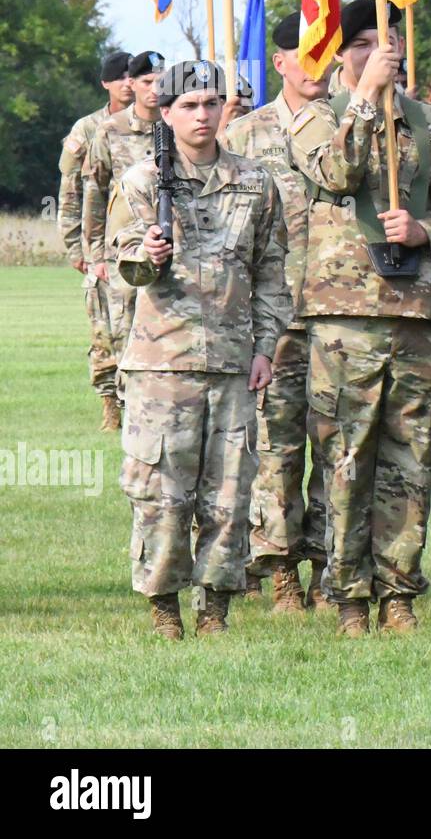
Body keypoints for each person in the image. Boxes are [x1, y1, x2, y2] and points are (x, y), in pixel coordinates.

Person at [288, 0, 431, 638]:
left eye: (385, 41)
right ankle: (348, 597)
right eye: (361, 43)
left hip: (417, 313)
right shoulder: (313, 120)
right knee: (343, 458)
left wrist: (427, 231)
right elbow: (337, 172)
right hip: (344, 318)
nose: (376, 52)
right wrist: (365, 95)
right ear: (339, 52)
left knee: (413, 459)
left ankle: (399, 594)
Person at [111, 61, 291, 639]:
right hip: (164, 364)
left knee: (231, 494)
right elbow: (126, 262)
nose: (203, 115)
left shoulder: (256, 182)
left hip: (235, 362)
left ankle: (216, 610)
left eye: (212, 103)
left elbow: (271, 272)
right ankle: (165, 608)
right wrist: (150, 253)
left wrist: (266, 347)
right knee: (162, 491)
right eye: (189, 106)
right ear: (165, 113)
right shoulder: (142, 182)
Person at [222, 15, 333, 612]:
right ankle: (281, 566)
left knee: (339, 446)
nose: (317, 64)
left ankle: (329, 566)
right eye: (303, 54)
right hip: (275, 317)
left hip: (345, 310)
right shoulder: (244, 134)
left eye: (327, 52)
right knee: (278, 446)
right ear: (281, 61)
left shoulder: (351, 125)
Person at [58, 50, 133, 429]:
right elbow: (72, 191)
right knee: (103, 326)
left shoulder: (158, 121)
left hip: (136, 243)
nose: (127, 83)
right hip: (100, 244)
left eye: (131, 76)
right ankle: (109, 401)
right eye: (118, 77)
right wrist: (77, 246)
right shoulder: (88, 128)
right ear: (106, 83)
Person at [83, 52, 165, 366]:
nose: (154, 89)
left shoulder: (175, 125)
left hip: (166, 243)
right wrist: (95, 256)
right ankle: (121, 407)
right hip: (122, 248)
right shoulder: (110, 130)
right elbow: (95, 195)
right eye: (147, 82)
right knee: (123, 330)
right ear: (131, 83)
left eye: (160, 81)